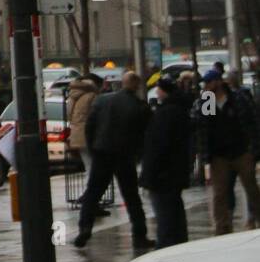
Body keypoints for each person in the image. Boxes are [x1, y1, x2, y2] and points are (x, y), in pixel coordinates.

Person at [74, 71, 151, 249]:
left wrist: (94, 149)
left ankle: (84, 228)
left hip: (102, 152)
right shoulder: (139, 106)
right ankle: (139, 236)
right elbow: (144, 134)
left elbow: (90, 126)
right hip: (124, 155)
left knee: (92, 193)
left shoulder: (103, 100)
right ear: (137, 86)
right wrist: (137, 155)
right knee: (132, 197)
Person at [200, 68, 260, 235]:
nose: (207, 86)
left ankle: (256, 218)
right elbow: (204, 128)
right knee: (220, 193)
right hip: (219, 155)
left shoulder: (237, 98)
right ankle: (223, 228)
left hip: (241, 151)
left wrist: (254, 149)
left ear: (219, 82)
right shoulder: (208, 100)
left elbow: (252, 122)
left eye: (210, 82)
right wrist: (207, 156)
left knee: (251, 188)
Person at [140, 77, 193, 248]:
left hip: (163, 174)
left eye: (159, 89)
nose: (156, 92)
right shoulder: (179, 110)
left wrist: (149, 174)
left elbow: (157, 146)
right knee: (174, 212)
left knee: (164, 215)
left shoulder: (165, 113)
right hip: (175, 171)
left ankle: (164, 248)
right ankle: (179, 243)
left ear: (164, 91)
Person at [66, 73, 101, 176]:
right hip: (90, 133)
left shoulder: (73, 95)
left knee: (88, 164)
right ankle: (93, 188)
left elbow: (69, 114)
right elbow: (97, 114)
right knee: (95, 166)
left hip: (77, 133)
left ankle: (90, 187)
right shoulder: (92, 95)